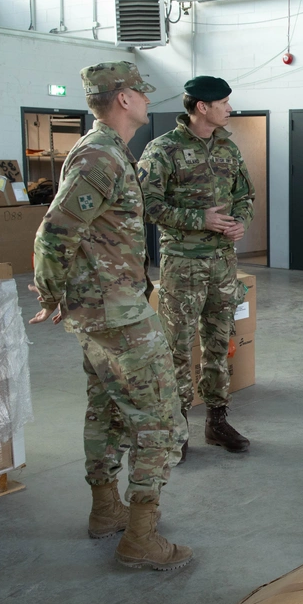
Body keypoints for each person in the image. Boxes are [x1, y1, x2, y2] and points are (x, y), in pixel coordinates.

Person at [30, 61, 191, 571]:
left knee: (106, 407)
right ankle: (141, 540)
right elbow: (54, 233)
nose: (147, 100)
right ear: (123, 98)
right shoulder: (101, 156)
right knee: (161, 421)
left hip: (103, 308)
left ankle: (106, 511)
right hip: (116, 313)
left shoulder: (106, 151)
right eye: (141, 93)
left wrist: (65, 297)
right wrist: (53, 294)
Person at [139, 76, 255, 461]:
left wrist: (240, 220)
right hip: (183, 265)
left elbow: (245, 194)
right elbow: (146, 204)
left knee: (220, 344)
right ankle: (177, 428)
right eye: (223, 102)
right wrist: (197, 218)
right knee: (175, 348)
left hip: (223, 262)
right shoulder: (163, 150)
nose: (230, 108)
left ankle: (217, 421)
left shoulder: (228, 147)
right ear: (201, 107)